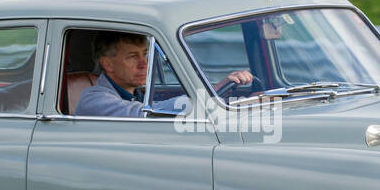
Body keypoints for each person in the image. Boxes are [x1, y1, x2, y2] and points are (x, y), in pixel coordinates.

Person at [74, 32, 252, 118]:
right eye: (132, 57)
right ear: (108, 64)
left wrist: (248, 99)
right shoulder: (94, 100)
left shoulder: (137, 93)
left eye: (145, 54)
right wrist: (214, 91)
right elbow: (146, 114)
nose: (144, 64)